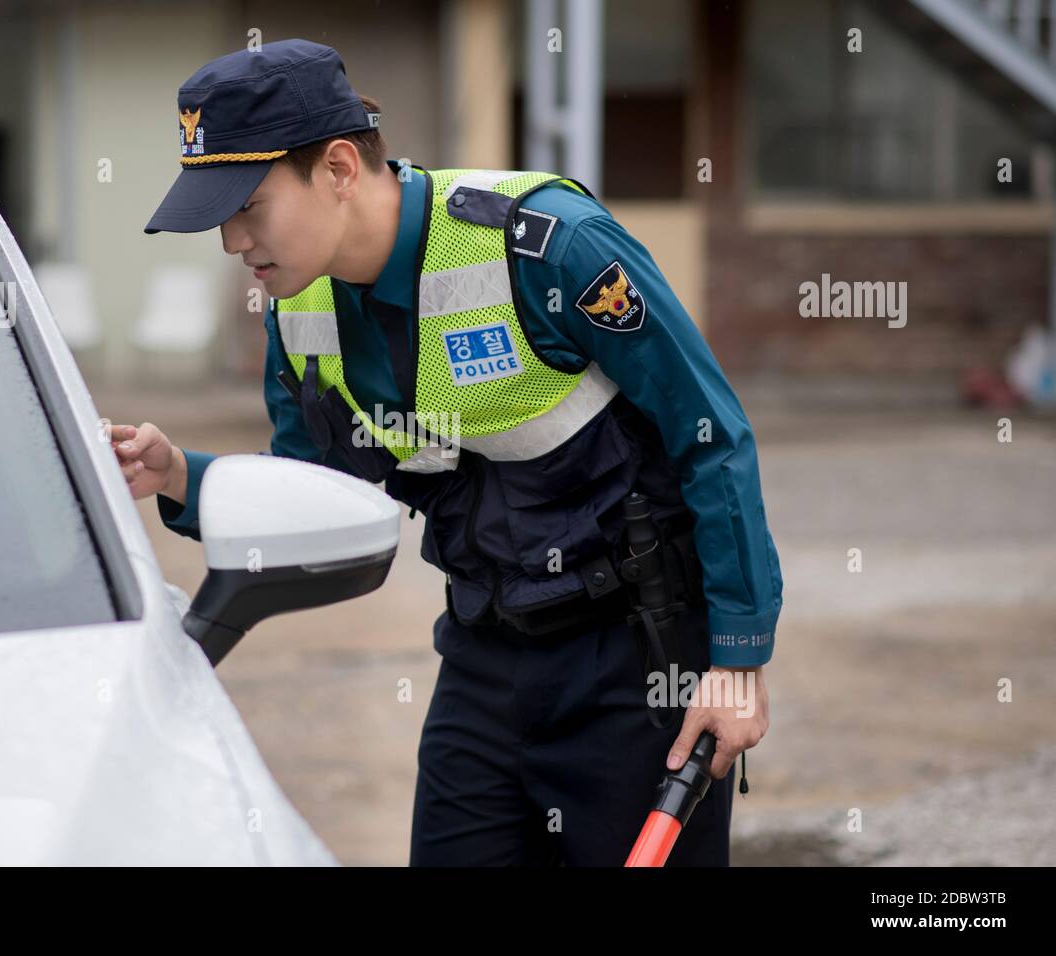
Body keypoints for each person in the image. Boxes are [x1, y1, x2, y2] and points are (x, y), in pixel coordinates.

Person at [110, 38, 781, 866]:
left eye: (248, 206)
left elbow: (710, 435)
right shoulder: (299, 313)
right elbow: (311, 501)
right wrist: (180, 474)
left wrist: (738, 663)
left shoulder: (548, 246)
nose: (232, 242)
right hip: (483, 662)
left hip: (638, 667)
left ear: (340, 168)